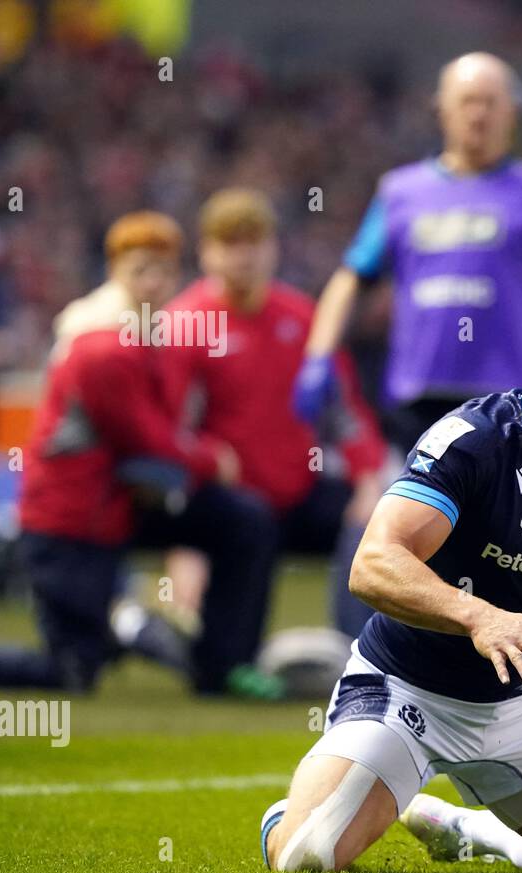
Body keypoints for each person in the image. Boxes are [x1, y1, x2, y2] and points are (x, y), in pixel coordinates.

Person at [260, 270, 522, 873]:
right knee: (306, 857)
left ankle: (476, 828)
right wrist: (478, 616)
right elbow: (374, 563)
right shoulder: (477, 440)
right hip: (403, 693)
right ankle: (293, 813)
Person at [0, 211, 278, 695]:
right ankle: (140, 633)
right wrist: (213, 460)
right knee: (73, 670)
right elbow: (147, 438)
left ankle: (214, 664)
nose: (154, 282)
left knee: (244, 520)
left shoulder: (150, 331)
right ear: (114, 271)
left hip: (114, 506)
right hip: (73, 522)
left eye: (164, 269)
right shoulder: (101, 342)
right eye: (140, 269)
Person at [140, 190, 386, 682]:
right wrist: (185, 542)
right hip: (229, 502)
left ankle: (364, 663)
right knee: (222, 669)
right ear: (206, 252)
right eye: (230, 243)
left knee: (379, 519)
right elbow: (170, 431)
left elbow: (345, 410)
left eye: (254, 242)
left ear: (274, 248)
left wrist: (366, 481)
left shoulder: (301, 318)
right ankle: (207, 657)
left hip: (298, 489)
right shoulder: (185, 325)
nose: (244, 255)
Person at [292, 51, 522, 454]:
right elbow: (352, 277)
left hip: (510, 401)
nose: (479, 114)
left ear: (512, 112)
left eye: (491, 102)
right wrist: (318, 354)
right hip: (415, 399)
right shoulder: (399, 193)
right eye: (468, 101)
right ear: (442, 109)